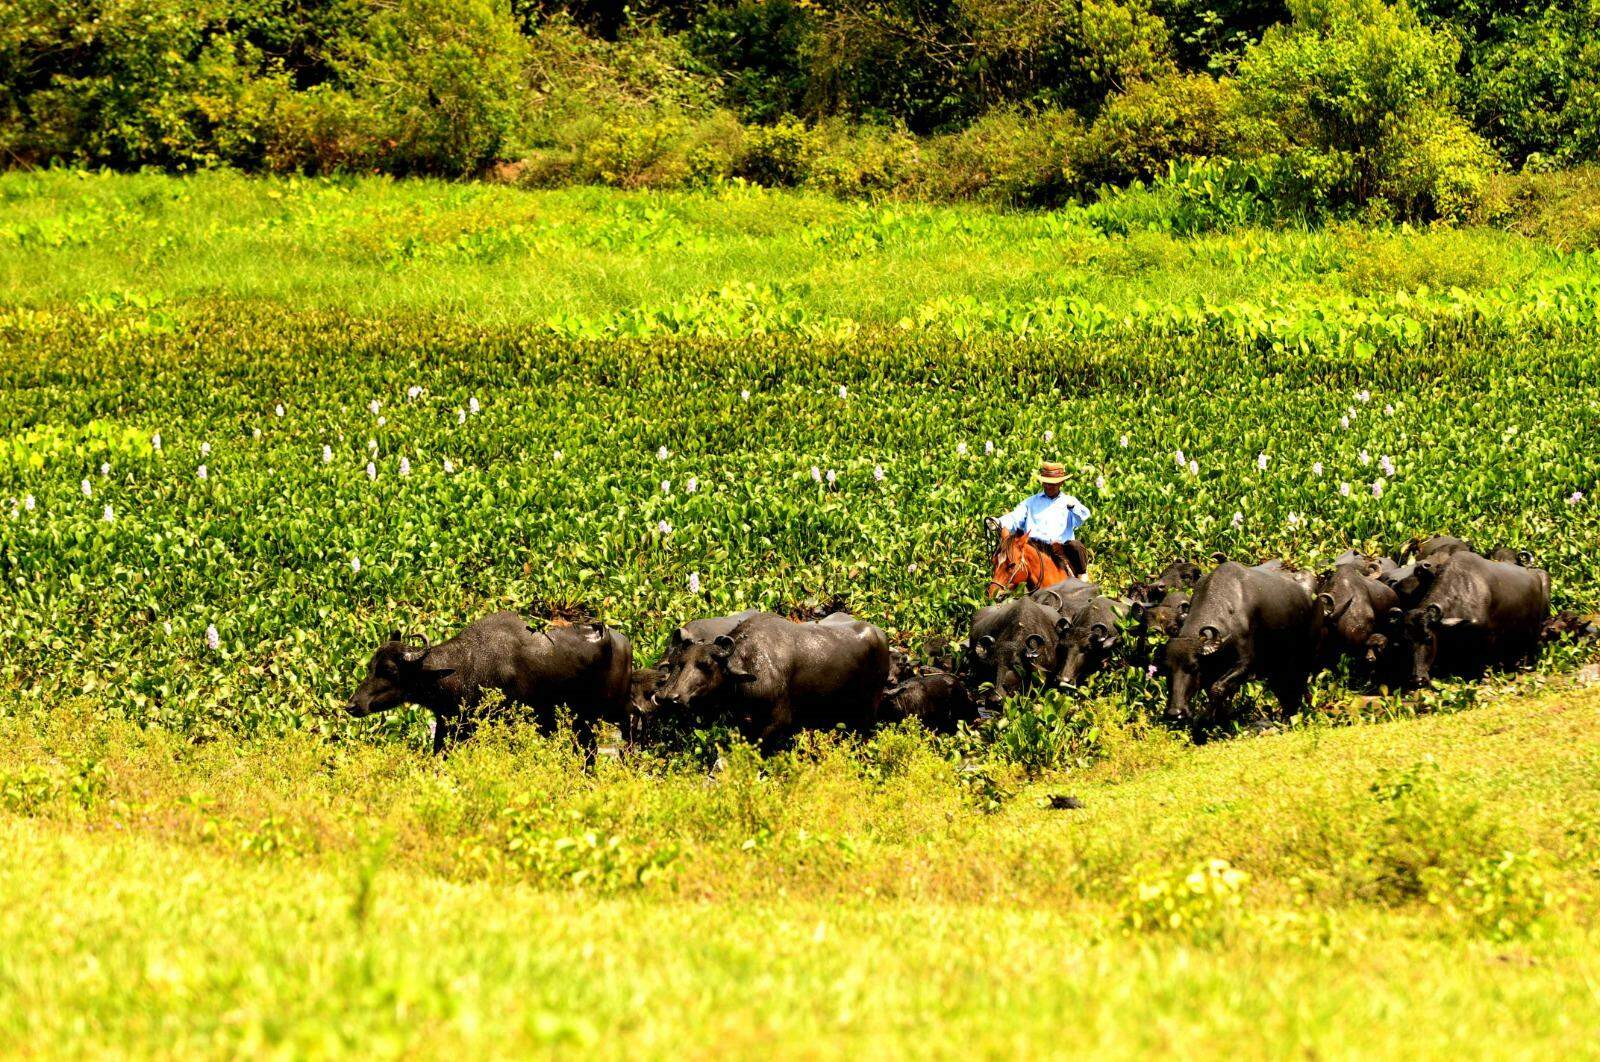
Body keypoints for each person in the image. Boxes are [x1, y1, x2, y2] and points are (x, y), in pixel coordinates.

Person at [988, 461, 1092, 578]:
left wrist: (1073, 507)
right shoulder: (1031, 502)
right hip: (1035, 550)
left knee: (1076, 546)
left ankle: (1082, 578)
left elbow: (1083, 517)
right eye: (1046, 483)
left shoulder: (1068, 501)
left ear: (1061, 482)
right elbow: (1015, 517)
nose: (1048, 486)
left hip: (1059, 550)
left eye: (1052, 484)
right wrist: (999, 522)